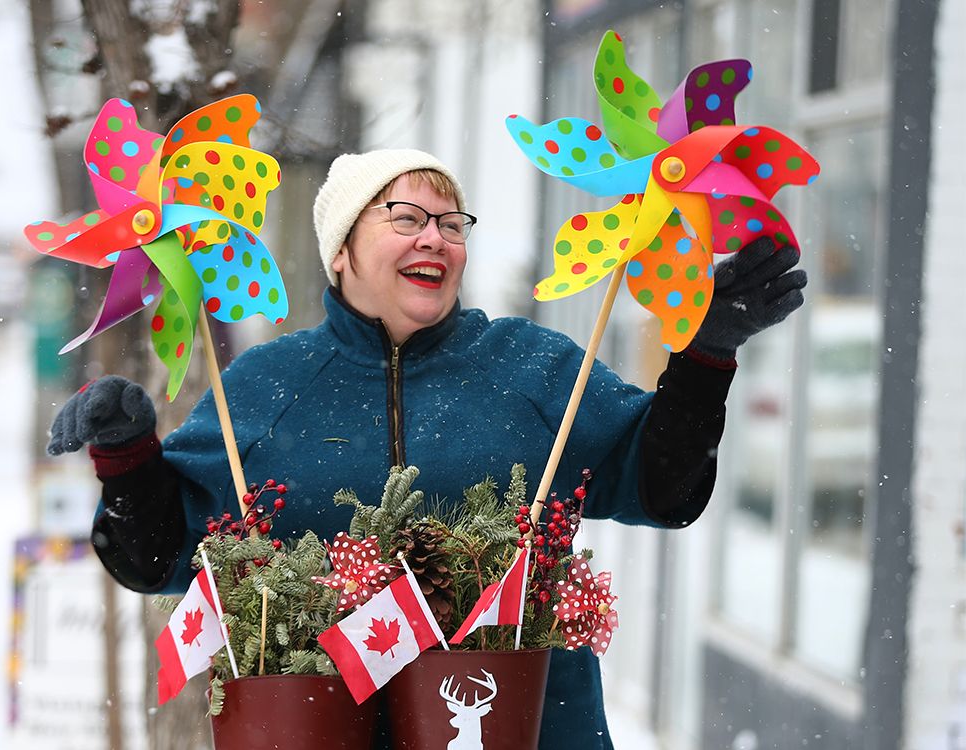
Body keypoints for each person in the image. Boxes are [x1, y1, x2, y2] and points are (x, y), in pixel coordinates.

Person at [47, 148, 806, 749]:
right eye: (404, 216)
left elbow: (659, 486)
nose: (434, 238)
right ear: (340, 252)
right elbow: (159, 556)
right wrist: (127, 457)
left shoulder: (533, 367)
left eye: (451, 223)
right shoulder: (266, 385)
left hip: (526, 732)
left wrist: (708, 354)